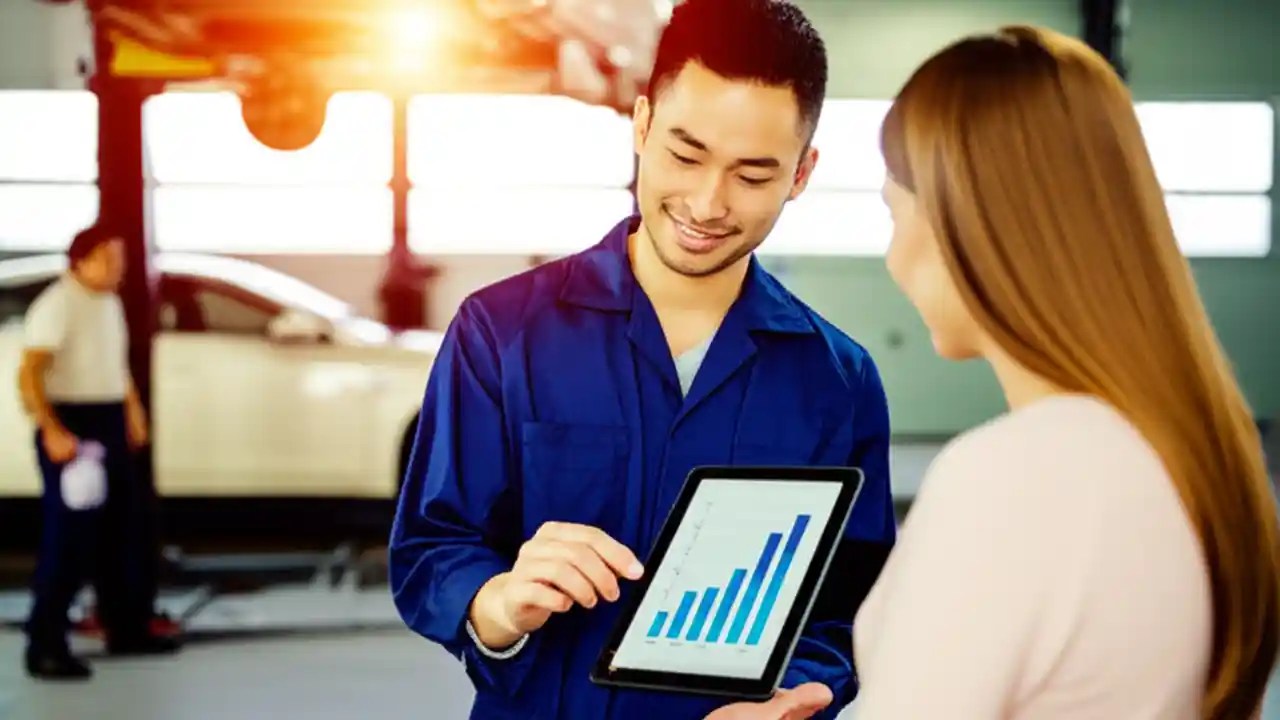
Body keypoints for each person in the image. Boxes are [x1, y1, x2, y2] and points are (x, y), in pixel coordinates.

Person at [389, 1, 896, 718]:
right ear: (642, 122)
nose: (706, 202)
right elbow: (433, 546)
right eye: (685, 155)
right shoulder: (501, 334)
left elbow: (847, 605)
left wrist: (802, 693)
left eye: (753, 176)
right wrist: (498, 602)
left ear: (803, 172)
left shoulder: (836, 383)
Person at [851, 25, 1280, 720]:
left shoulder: (1016, 478)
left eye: (894, 210)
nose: (894, 256)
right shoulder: (1191, 453)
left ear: (967, 220)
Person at [18, 225, 180, 680]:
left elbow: (114, 362)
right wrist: (51, 430)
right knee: (69, 540)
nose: (117, 269)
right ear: (80, 261)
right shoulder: (57, 305)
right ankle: (44, 643)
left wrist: (131, 410)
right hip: (73, 425)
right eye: (107, 260)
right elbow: (29, 374)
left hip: (108, 419)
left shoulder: (108, 302)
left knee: (122, 530)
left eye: (120, 260)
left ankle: (125, 627)